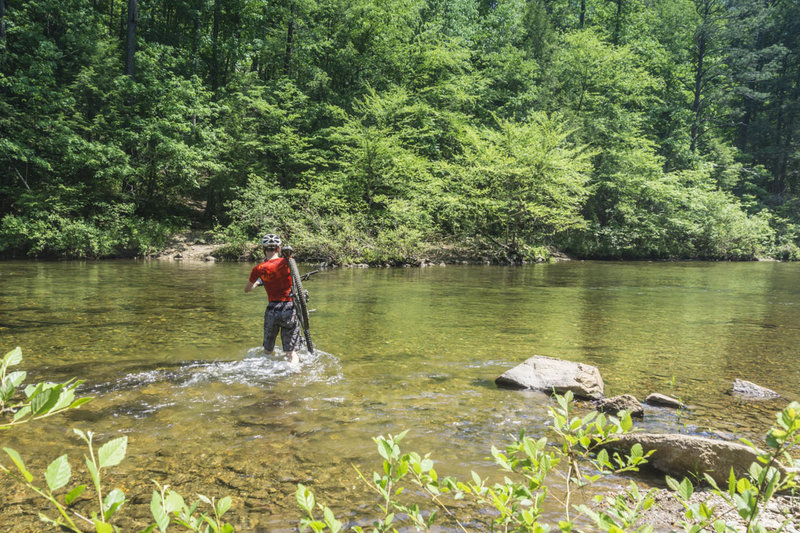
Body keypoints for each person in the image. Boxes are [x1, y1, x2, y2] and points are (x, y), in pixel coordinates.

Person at [244, 234, 301, 364]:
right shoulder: (288, 262)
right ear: (279, 249)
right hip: (289, 308)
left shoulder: (259, 268)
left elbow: (247, 289)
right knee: (291, 352)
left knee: (267, 350)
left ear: (263, 249)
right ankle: (295, 378)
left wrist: (259, 282)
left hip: (272, 310)